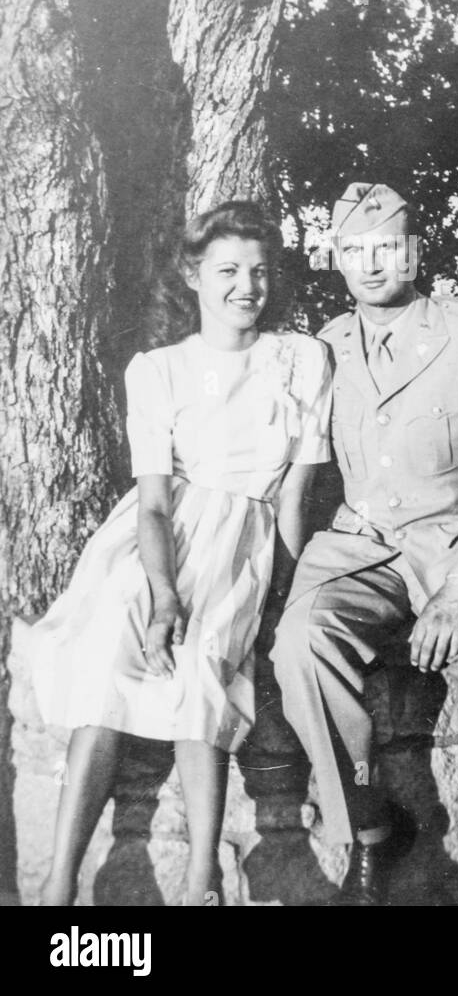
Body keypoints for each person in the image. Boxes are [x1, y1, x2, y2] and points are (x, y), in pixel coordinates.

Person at [30, 200, 332, 906]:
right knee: (106, 650)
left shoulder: (302, 359)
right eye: (226, 270)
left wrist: (278, 596)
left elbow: (294, 498)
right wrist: (163, 594)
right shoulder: (157, 368)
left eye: (259, 271)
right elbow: (156, 504)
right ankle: (59, 882)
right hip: (153, 542)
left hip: (246, 540)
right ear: (193, 276)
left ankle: (202, 879)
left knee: (204, 669)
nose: (245, 287)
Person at [272, 182, 458, 907]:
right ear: (334, 259)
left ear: (415, 252)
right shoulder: (324, 348)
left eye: (386, 248)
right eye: (352, 251)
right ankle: (361, 830)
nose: (370, 264)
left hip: (454, 550)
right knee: (299, 643)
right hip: (359, 550)